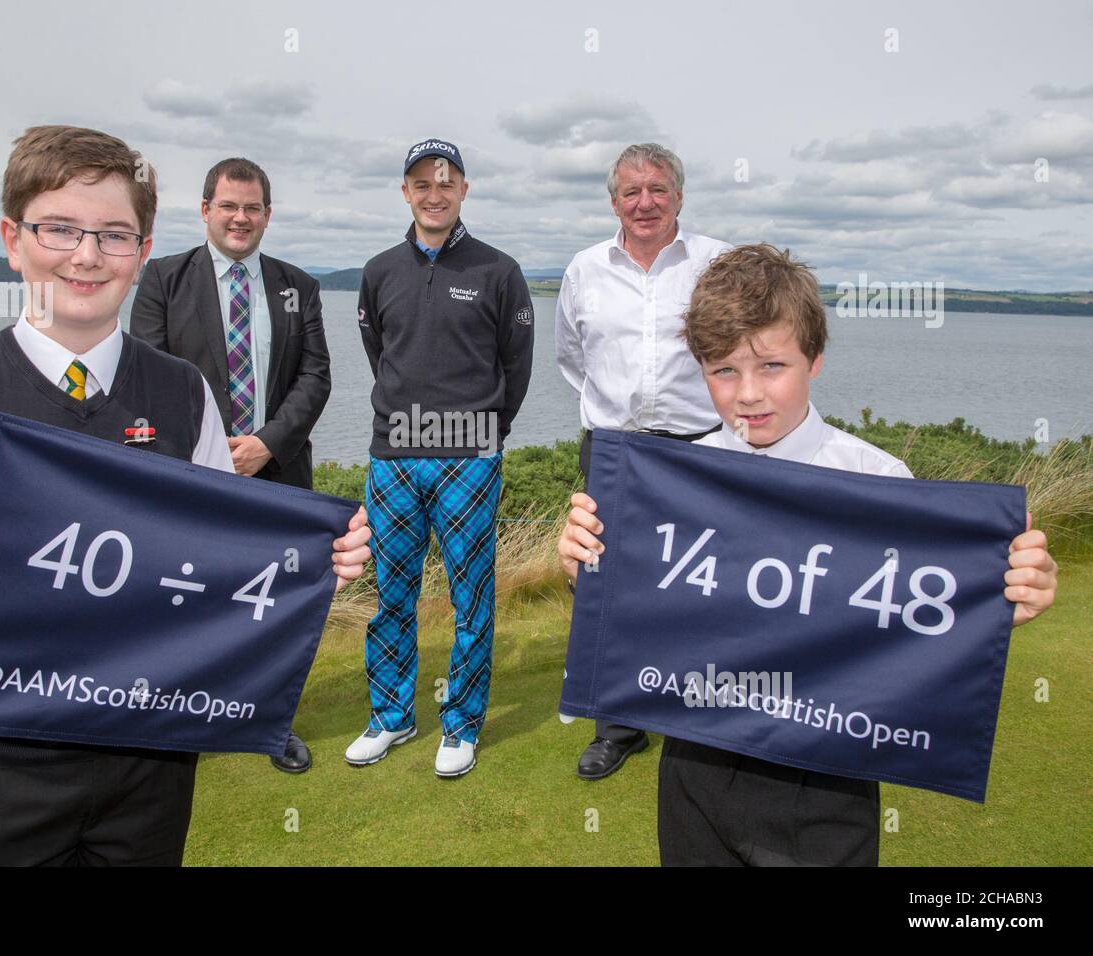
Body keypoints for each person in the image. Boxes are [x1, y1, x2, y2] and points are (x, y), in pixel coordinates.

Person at [0, 125, 372, 866]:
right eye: (59, 228)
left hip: (147, 764)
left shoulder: (184, 395)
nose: (87, 255)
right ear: (12, 239)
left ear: (142, 252)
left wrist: (313, 555)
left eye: (114, 235)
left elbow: (224, 560)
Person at [556, 243, 1059, 865]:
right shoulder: (672, 482)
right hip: (695, 768)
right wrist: (585, 565)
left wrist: (1005, 595)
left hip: (828, 783)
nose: (747, 394)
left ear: (815, 360)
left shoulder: (879, 482)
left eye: (771, 366)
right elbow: (635, 607)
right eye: (722, 371)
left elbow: (928, 617)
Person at [131, 157, 331, 773]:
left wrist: (268, 442)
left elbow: (316, 376)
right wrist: (215, 449)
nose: (240, 218)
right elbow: (146, 372)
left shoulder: (299, 284)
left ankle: (272, 722)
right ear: (205, 210)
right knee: (191, 596)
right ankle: (185, 716)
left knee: (275, 602)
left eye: (252, 208)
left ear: (267, 215)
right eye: (228, 206)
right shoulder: (163, 278)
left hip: (278, 470)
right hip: (192, 473)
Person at [346, 138, 534, 777]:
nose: (434, 193)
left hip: (469, 458)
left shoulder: (498, 270)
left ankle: (462, 724)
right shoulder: (378, 271)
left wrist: (486, 434)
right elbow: (380, 354)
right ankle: (393, 717)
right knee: (392, 594)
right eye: (421, 183)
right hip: (393, 456)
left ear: (463, 189)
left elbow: (516, 365)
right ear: (406, 191)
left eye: (446, 182)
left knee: (470, 597)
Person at [554, 142, 732, 780]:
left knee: (706, 582)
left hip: (702, 446)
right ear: (613, 201)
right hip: (615, 448)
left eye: (657, 189)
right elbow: (572, 359)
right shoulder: (583, 269)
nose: (645, 202)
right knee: (606, 585)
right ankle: (619, 727)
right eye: (631, 192)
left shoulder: (717, 262)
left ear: (679, 195)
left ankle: (700, 718)